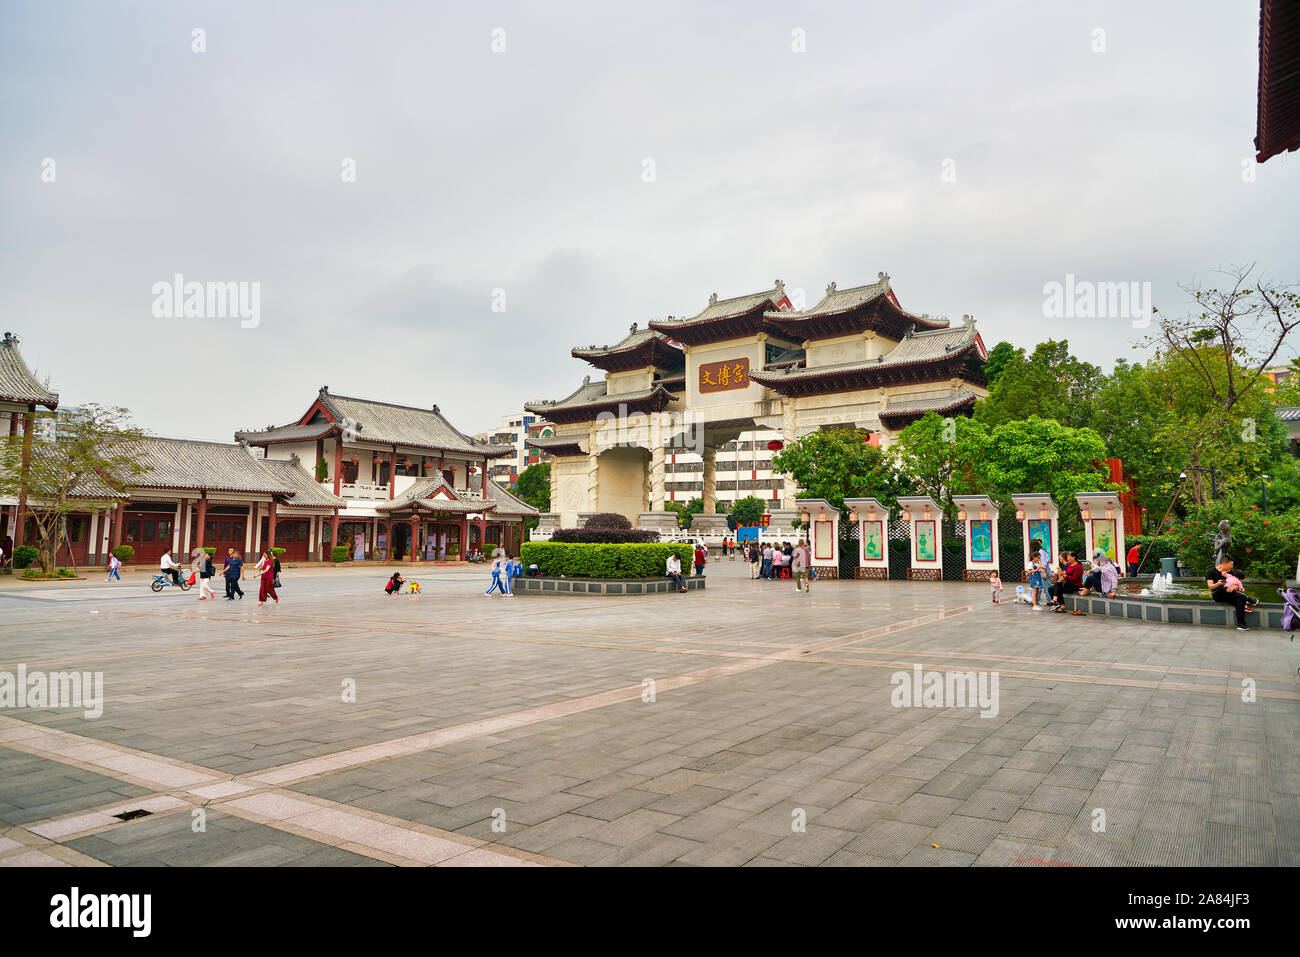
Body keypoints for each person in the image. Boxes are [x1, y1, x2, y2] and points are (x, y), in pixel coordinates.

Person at [1207, 555, 1253, 631]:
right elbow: (1210, 586)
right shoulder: (1211, 572)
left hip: (1230, 594)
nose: (1231, 567)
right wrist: (1218, 583)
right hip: (1218, 595)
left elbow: (1238, 584)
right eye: (1231, 565)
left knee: (1240, 600)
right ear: (1224, 563)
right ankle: (1248, 599)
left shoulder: (1231, 573)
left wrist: (1233, 587)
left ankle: (1241, 625)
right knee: (1222, 589)